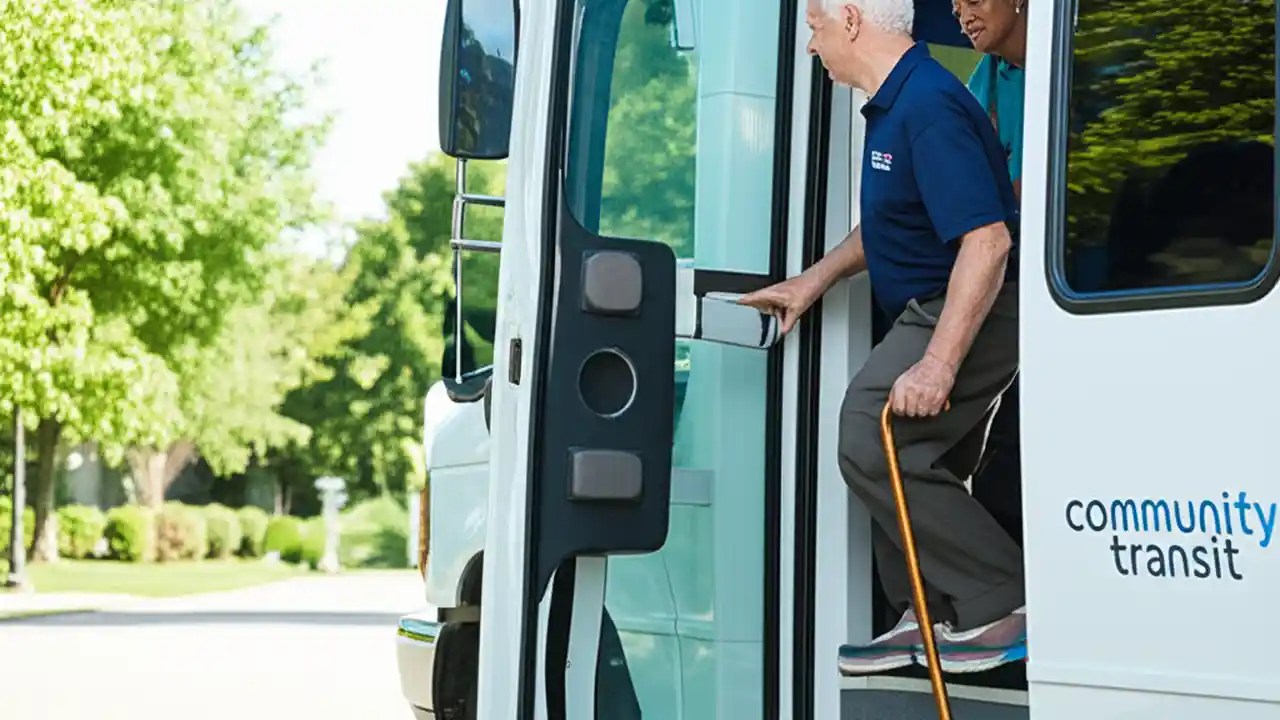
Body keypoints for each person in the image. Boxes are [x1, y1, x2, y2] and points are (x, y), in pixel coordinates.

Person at [741, 0, 1025, 674]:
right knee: (898, 445)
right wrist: (813, 280)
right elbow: (901, 220)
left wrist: (937, 364)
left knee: (872, 428)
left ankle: (1003, 598)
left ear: (850, 19)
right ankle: (927, 615)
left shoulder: (928, 107)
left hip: (969, 302)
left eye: (814, 29)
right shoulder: (897, 105)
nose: (813, 47)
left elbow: (987, 241)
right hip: (931, 299)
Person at [956, 0, 1028, 548]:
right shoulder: (987, 77)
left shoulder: (1067, 70)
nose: (962, 13)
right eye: (954, 2)